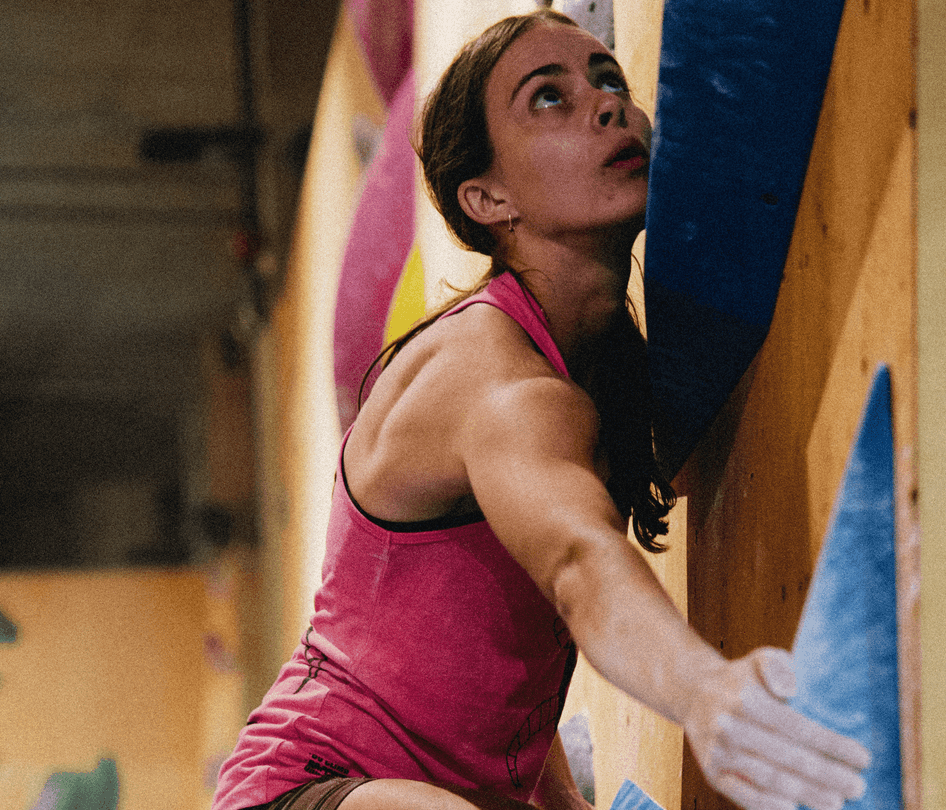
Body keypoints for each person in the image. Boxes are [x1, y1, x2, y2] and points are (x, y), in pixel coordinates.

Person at [211, 10, 871, 810]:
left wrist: (563, 800)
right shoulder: (494, 380)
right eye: (547, 99)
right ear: (486, 197)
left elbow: (488, 654)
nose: (605, 106)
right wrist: (704, 692)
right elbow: (576, 565)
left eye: (608, 81)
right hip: (302, 788)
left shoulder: (597, 368)